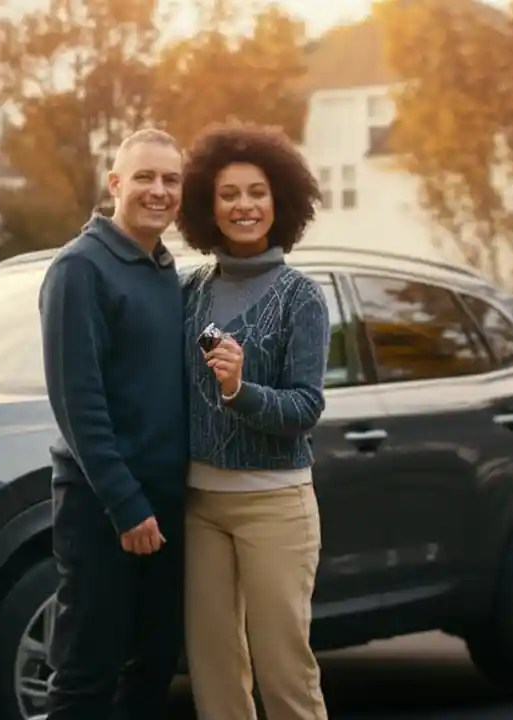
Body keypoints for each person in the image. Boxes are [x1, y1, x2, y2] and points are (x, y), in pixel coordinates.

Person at [176, 122, 330, 720]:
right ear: (208, 207)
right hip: (200, 505)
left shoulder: (301, 297)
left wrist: (240, 390)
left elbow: (305, 409)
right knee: (214, 675)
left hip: (275, 505)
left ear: (279, 201)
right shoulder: (191, 291)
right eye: (229, 193)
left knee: (285, 671)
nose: (244, 205)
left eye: (257, 192)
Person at [38, 128, 189, 720]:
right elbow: (79, 402)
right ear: (116, 183)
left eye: (171, 180)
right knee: (86, 674)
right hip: (106, 510)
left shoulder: (162, 268)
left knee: (152, 667)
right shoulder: (80, 269)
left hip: (166, 504)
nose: (158, 190)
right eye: (145, 177)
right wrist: (127, 506)